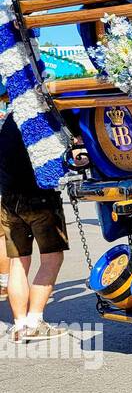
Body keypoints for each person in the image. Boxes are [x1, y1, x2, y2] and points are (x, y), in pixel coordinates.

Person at [0, 111, 67, 341]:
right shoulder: (39, 119)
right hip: (39, 198)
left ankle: (19, 324)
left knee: (18, 261)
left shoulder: (9, 120)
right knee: (52, 257)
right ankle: (35, 320)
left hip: (9, 199)